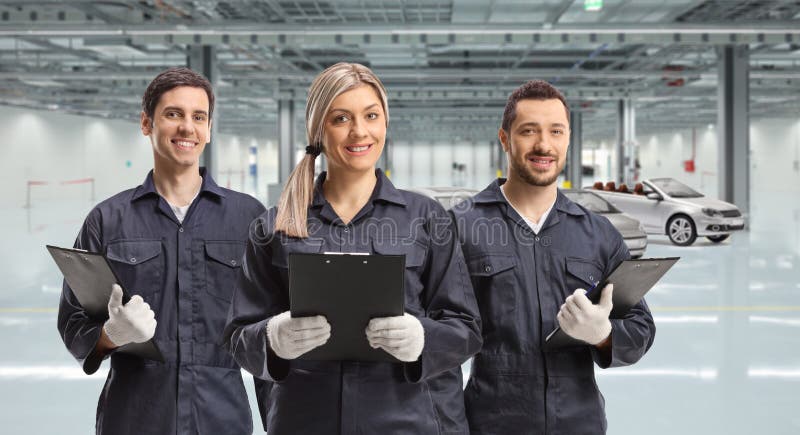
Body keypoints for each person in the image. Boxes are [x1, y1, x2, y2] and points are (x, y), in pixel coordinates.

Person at [224, 62, 482, 434]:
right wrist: (272, 338)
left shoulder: (427, 218)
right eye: (341, 118)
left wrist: (423, 339)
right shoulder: (274, 226)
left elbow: (466, 329)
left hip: (407, 423)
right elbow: (238, 336)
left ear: (385, 123)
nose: (360, 131)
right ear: (318, 130)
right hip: (306, 422)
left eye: (371, 116)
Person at [57, 67, 265, 435]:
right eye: (173, 114)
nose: (187, 127)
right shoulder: (107, 220)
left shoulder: (248, 218)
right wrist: (111, 335)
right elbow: (73, 320)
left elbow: (270, 327)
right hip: (134, 419)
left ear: (209, 129)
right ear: (146, 123)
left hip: (221, 419)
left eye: (198, 117)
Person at [451, 80, 656, 434]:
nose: (544, 145)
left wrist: (603, 334)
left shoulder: (598, 234)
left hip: (580, 422)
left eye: (556, 131)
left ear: (568, 139)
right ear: (505, 139)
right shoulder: (461, 226)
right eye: (529, 131)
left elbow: (641, 327)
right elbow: (435, 334)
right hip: (491, 423)